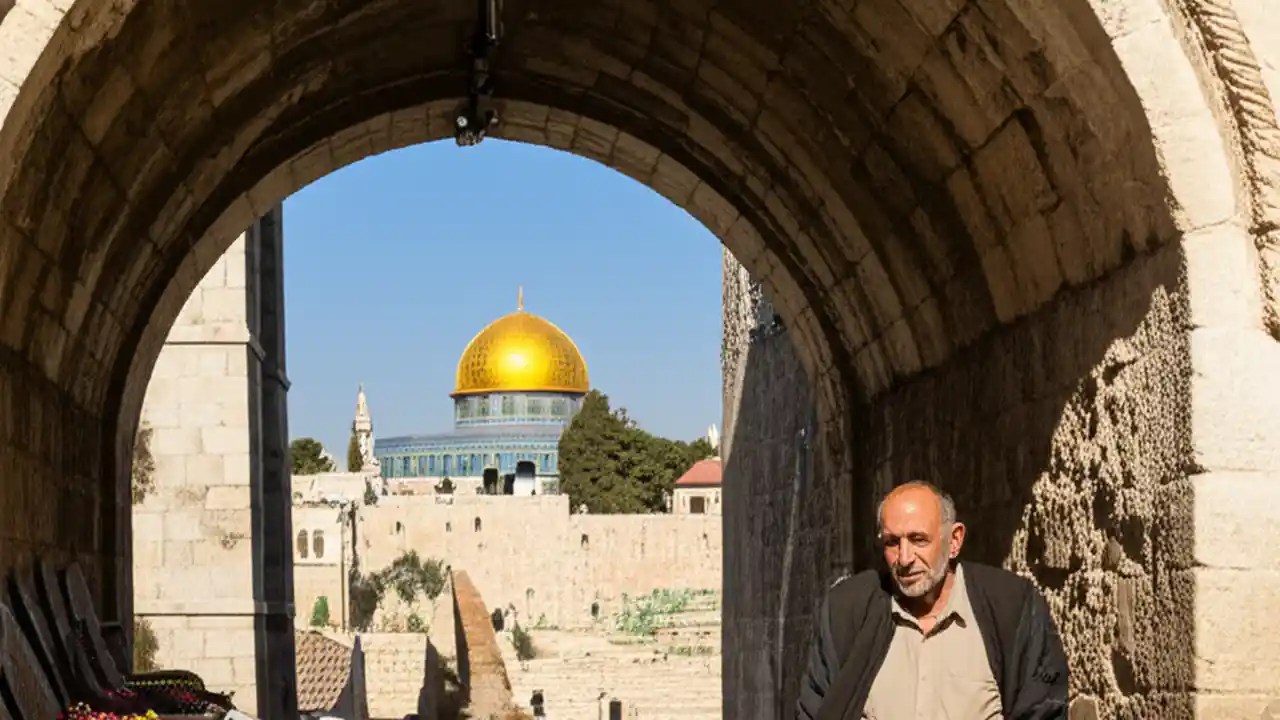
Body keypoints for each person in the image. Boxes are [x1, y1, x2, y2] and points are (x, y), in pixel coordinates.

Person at [796, 481, 1068, 719]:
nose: (904, 558)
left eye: (918, 540)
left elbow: (1043, 709)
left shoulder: (1012, 608)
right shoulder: (847, 613)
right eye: (892, 542)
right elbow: (815, 707)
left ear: (954, 541)